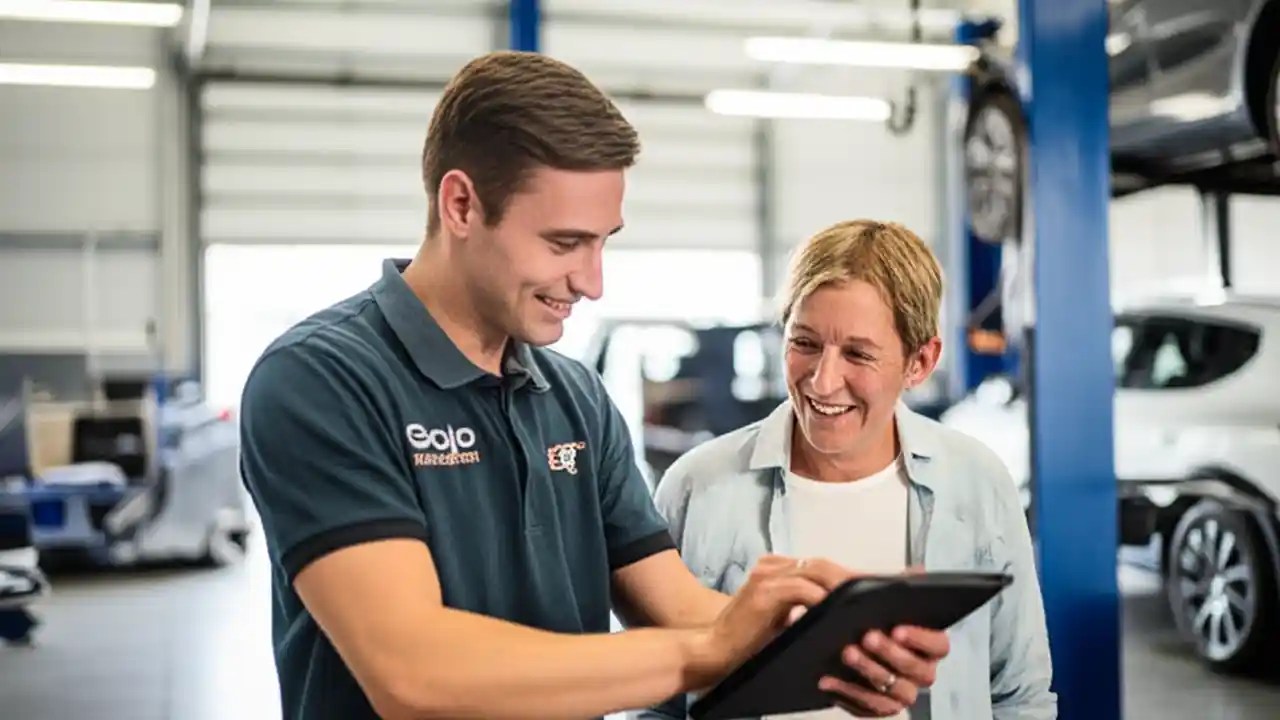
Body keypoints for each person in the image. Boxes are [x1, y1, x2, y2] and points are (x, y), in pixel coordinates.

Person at [238, 52, 952, 720]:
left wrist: (826, 645)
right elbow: (411, 672)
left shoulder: (573, 398)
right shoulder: (320, 381)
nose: (592, 281)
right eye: (564, 243)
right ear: (460, 206)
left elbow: (677, 606)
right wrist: (705, 651)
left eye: (604, 240)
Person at [644, 220, 1056, 720]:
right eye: (805, 343)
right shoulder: (699, 487)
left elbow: (1020, 696)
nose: (823, 380)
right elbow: (655, 705)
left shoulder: (977, 483)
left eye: (858, 353)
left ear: (920, 362)